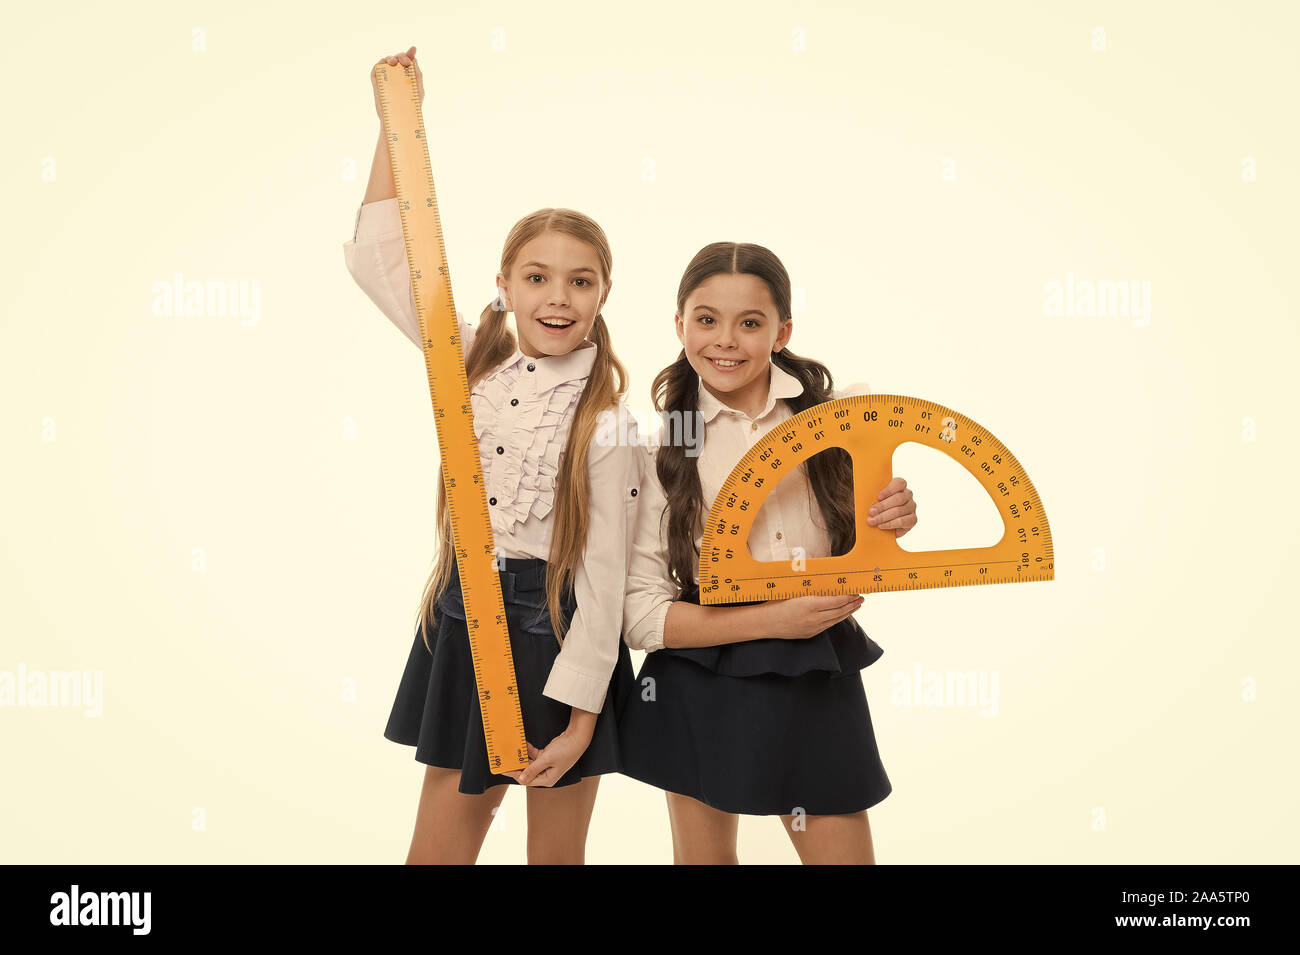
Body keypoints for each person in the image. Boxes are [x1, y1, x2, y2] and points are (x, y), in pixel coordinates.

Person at [343, 47, 642, 864]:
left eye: (581, 282)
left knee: (554, 856)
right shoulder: (465, 356)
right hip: (464, 612)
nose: (558, 296)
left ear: (604, 294)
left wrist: (585, 714)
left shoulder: (610, 420)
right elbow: (378, 261)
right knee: (435, 852)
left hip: (561, 628)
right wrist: (394, 124)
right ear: (504, 284)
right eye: (537, 277)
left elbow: (608, 576)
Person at [619, 240, 918, 864]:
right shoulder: (654, 446)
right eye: (706, 320)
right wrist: (773, 620)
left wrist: (891, 520)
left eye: (750, 323)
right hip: (702, 670)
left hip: (815, 668)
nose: (725, 340)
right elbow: (642, 614)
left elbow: (868, 546)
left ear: (782, 332)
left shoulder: (841, 419)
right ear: (679, 326)